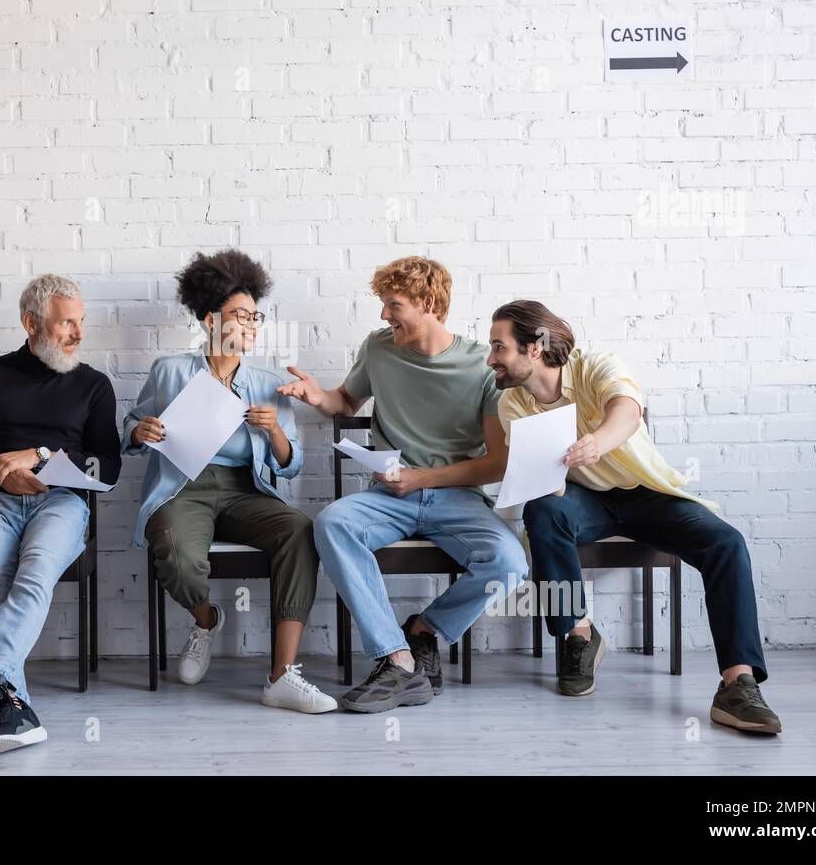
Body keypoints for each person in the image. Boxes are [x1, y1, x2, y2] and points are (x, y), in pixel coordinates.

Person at [488, 299, 782, 734]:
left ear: (534, 348)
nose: (491, 358)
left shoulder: (594, 365)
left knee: (726, 541)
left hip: (645, 493)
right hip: (583, 498)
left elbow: (627, 410)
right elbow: (544, 480)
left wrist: (597, 442)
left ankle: (737, 684)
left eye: (499, 347)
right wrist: (540, 479)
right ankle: (580, 636)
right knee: (543, 510)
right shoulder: (513, 404)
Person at [280, 256, 526, 713]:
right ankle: (397, 660)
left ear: (427, 303)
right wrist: (319, 396)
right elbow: (345, 399)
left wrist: (424, 478)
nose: (383, 316)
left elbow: (496, 463)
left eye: (393, 305)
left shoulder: (481, 367)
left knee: (509, 562)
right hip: (389, 497)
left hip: (458, 498)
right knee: (333, 523)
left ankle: (424, 632)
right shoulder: (378, 349)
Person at [124, 249, 336, 713]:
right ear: (209, 320)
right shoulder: (170, 371)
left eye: (254, 316)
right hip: (184, 486)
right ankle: (206, 620)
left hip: (246, 490)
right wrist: (140, 430)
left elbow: (291, 464)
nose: (250, 324)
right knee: (177, 556)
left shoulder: (267, 382)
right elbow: (132, 428)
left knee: (300, 530)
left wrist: (275, 430)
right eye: (239, 316)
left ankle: (282, 675)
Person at [0, 275, 121, 757]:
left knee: (35, 573)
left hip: (61, 502)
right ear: (31, 322)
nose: (78, 334)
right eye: (66, 323)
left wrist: (38, 455)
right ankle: (12, 712)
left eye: (81, 322)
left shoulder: (93, 385)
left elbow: (108, 468)